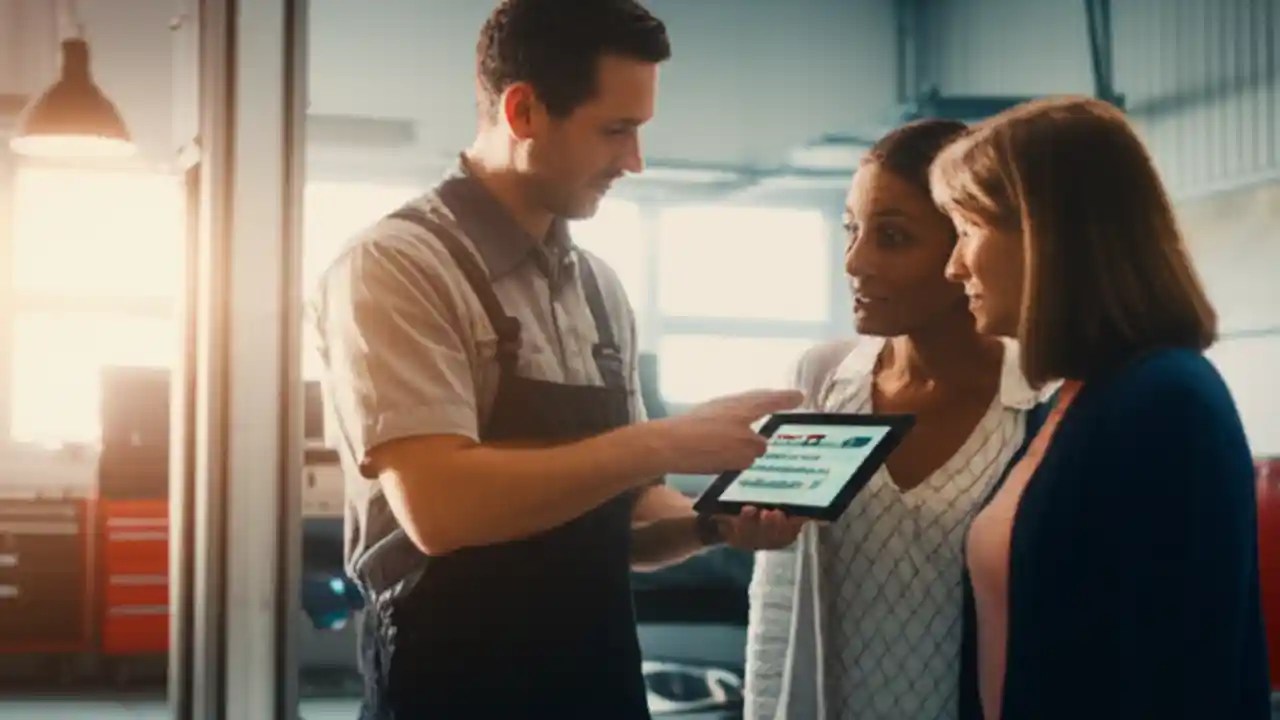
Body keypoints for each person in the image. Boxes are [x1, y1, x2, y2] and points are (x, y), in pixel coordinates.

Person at [307, 1, 805, 718]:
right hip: (449, 693)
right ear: (524, 111)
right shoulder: (395, 267)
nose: (635, 162)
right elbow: (440, 509)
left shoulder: (600, 289)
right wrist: (662, 439)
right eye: (616, 130)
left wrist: (710, 523)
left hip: (596, 686)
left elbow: (622, 514)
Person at [930, 96, 1272, 720]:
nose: (954, 266)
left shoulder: (1165, 402)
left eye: (968, 229)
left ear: (1045, 232)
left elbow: (1178, 675)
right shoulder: (1071, 401)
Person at [745, 119, 1056, 720]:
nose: (855, 262)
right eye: (850, 230)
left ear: (966, 244)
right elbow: (778, 602)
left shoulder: (1040, 400)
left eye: (891, 237)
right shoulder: (820, 380)